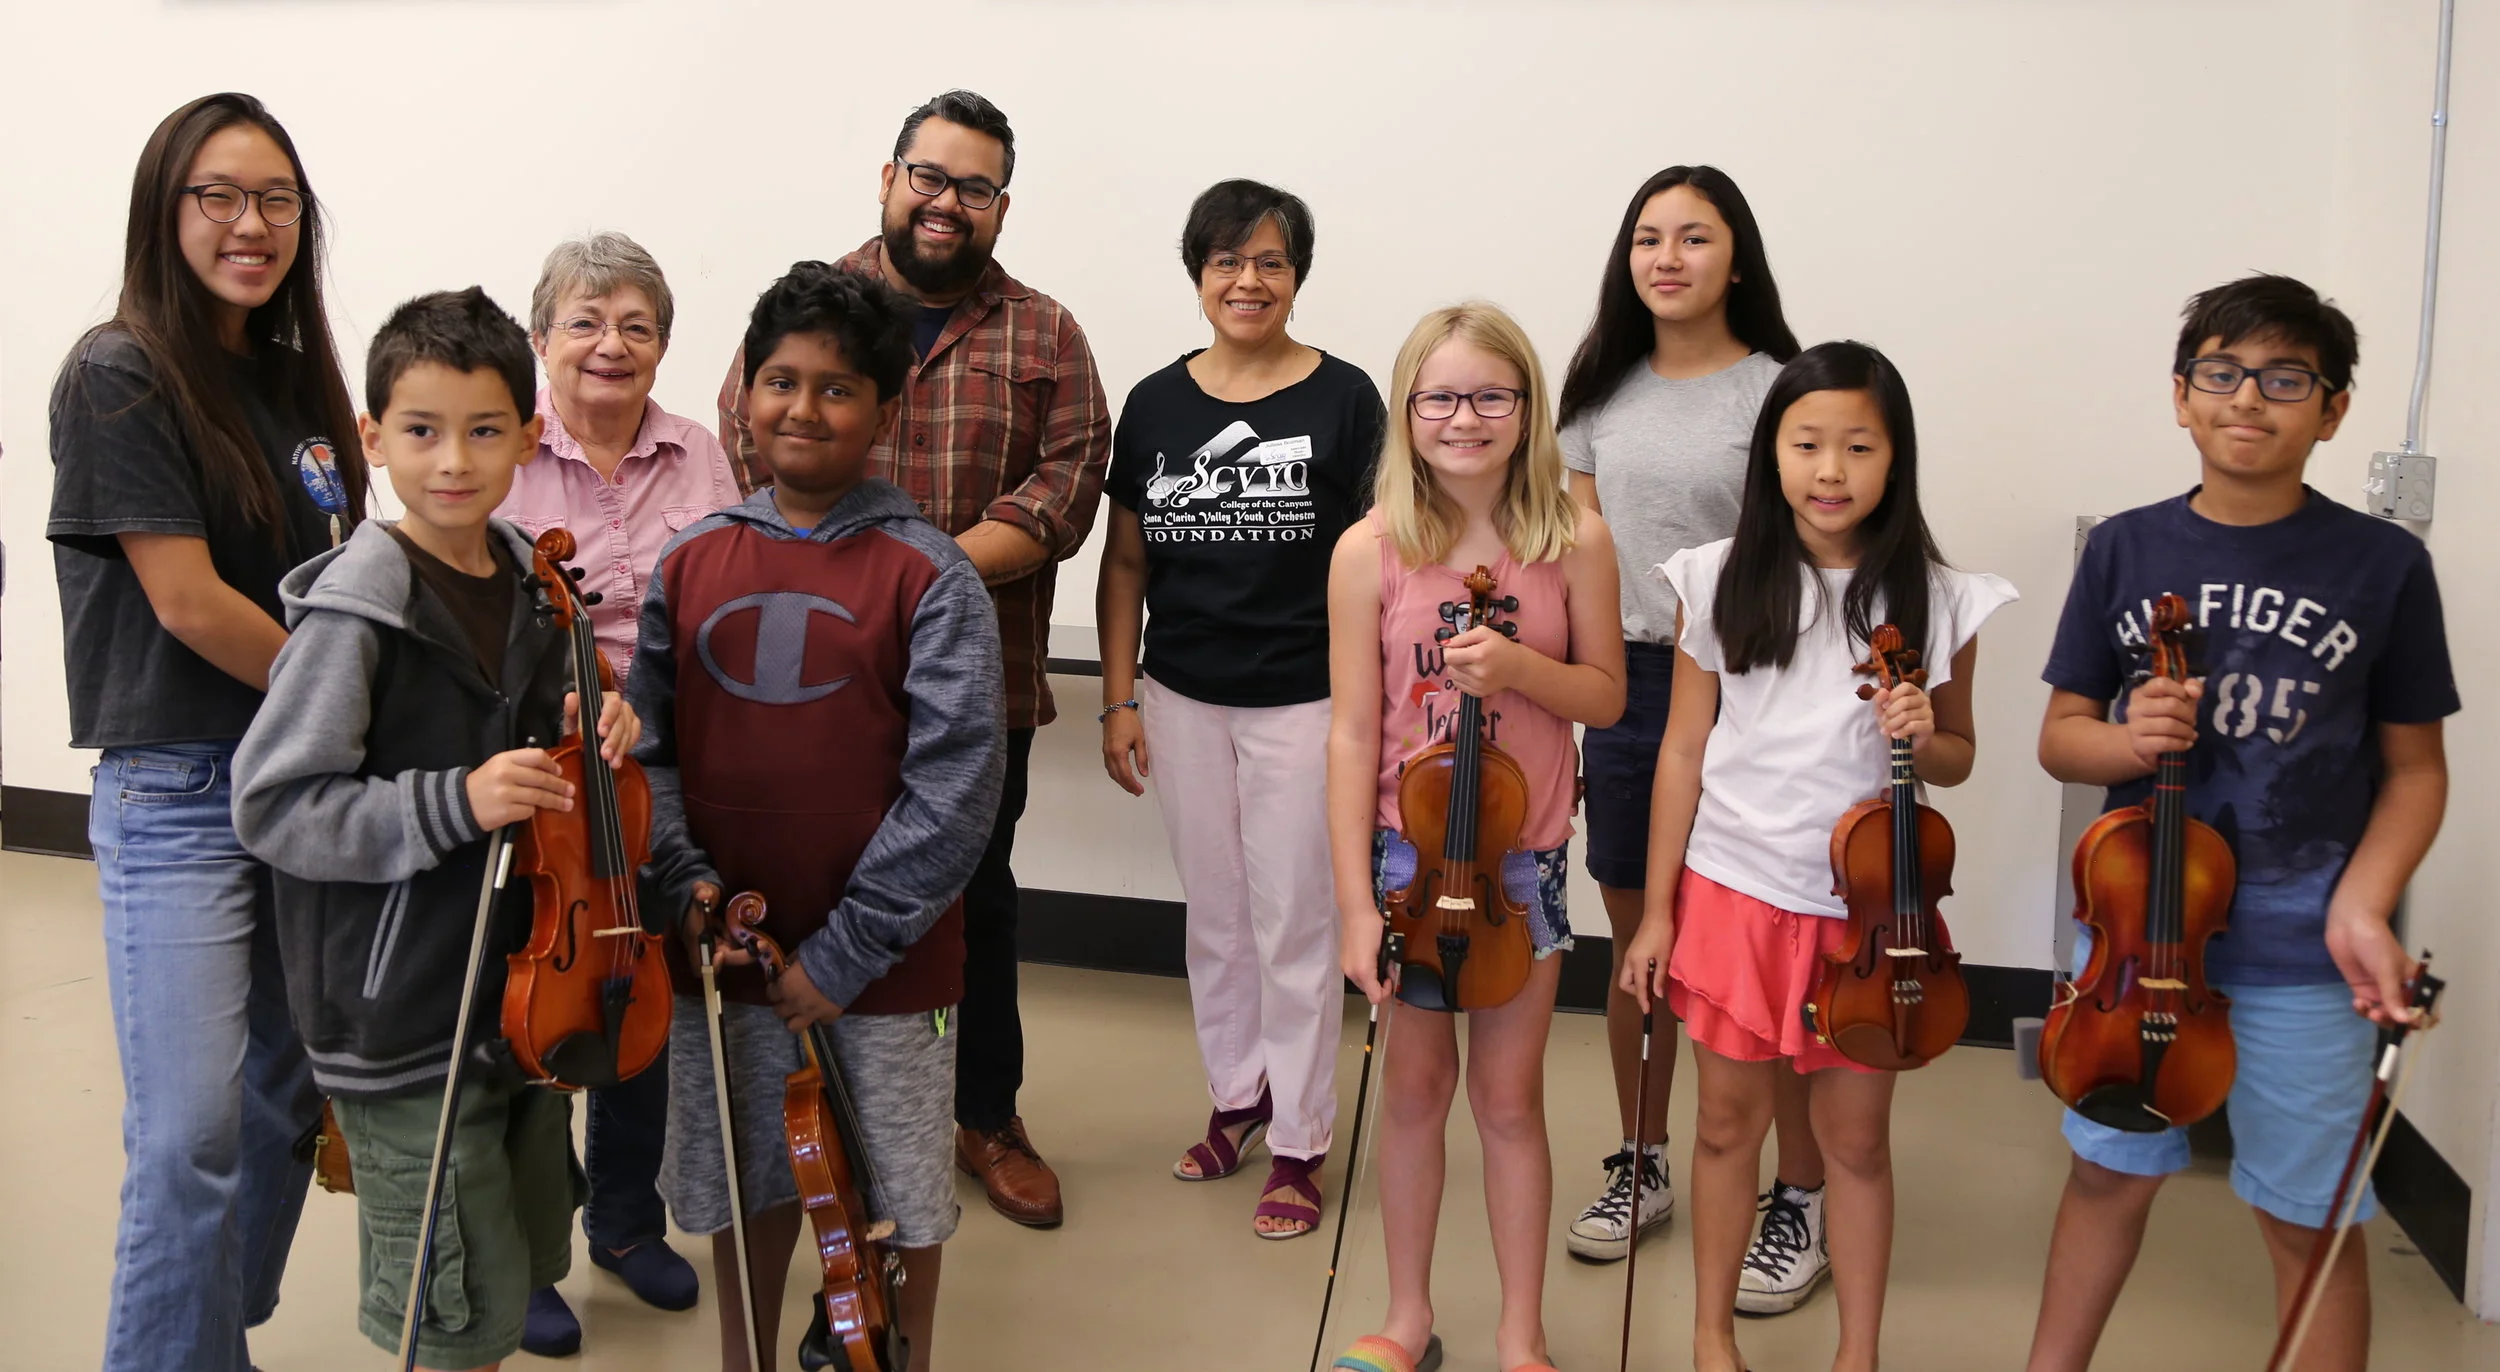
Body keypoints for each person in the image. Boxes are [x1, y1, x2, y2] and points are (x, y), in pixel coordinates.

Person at [2022, 276, 2455, 1372]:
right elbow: (2060, 733)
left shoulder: (2384, 567)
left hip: (2299, 954)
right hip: (2133, 944)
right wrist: (2127, 742)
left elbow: (2412, 768)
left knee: (2308, 1216)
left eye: (2284, 377)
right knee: (2107, 1173)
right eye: (2220, 373)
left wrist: (2360, 903)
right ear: (2181, 396)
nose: (2247, 398)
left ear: (2333, 407)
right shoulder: (2123, 548)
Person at [717, 89, 1109, 1228]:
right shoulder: (810, 309)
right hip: (811, 684)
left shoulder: (1045, 334)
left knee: (975, 900)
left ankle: (985, 1114)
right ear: (887, 180)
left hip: (981, 685)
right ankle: (819, 1111)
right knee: (812, 890)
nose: (948, 204)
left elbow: (1067, 485)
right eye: (929, 177)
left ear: (1000, 207)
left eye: (974, 188)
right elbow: (755, 442)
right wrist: (862, 584)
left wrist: (913, 578)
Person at [232, 287, 638, 1371]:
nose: (453, 460)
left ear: (530, 434)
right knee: (446, 1311)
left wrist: (600, 710)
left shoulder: (532, 583)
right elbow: (273, 804)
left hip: (522, 993)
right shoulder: (353, 612)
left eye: (484, 430)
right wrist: (452, 801)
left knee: (505, 1263)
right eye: (420, 431)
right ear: (373, 439)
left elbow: (560, 723)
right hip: (406, 1012)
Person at [45, 91, 365, 1372]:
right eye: (219, 196)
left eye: (277, 199)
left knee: (287, 1095)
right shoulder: (119, 369)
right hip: (182, 789)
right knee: (186, 1134)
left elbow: (350, 571)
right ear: (163, 210)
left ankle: (206, 1347)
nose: (252, 223)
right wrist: (343, 701)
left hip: (302, 786)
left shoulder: (296, 378)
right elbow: (185, 601)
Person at [1618, 342, 2014, 1372]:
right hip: (1734, 891)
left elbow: (1959, 759)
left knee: (1857, 1145)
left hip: (1871, 919)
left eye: (1856, 446)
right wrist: (1656, 913)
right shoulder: (1713, 578)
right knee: (1721, 1130)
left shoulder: (1935, 597)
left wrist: (1922, 730)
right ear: (1772, 455)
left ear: (1895, 459)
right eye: (1806, 444)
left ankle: (1858, 1356)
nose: (1829, 469)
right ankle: (1711, 1342)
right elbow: (1682, 752)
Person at [642, 262, 1004, 1372]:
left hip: (883, 967)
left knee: (894, 1196)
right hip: (728, 955)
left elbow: (955, 789)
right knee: (748, 1177)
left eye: (838, 389)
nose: (803, 409)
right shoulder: (689, 561)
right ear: (745, 393)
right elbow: (646, 751)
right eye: (781, 382)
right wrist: (683, 882)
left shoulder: (932, 577)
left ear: (885, 413)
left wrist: (846, 952)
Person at [1327, 303, 1626, 1372]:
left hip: (1522, 862)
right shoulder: (1370, 549)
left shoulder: (1574, 538)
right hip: (1404, 860)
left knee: (1509, 1099)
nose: (1466, 417)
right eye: (1441, 397)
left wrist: (1517, 672)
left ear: (1527, 408)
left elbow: (1602, 694)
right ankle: (1408, 1315)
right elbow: (1355, 732)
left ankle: (1520, 1331)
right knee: (1411, 1096)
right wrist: (1357, 906)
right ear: (1408, 411)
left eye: (1491, 396)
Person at [1554, 165, 1829, 1305]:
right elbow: (1580, 549)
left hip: (1760, 687)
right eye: (1647, 238)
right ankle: (1644, 1158)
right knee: (1643, 945)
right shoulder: (1597, 391)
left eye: (1693, 237)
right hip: (1631, 687)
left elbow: (1817, 539)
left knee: (1777, 953)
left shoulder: (1780, 390)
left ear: (1736, 256)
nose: (1666, 257)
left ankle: (1797, 1192)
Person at [1096, 178, 1386, 1240]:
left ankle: (1302, 1141)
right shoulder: (1156, 403)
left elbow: (1381, 556)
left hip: (1306, 700)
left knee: (1296, 924)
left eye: (1268, 261)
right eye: (1226, 261)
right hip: (1179, 696)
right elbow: (1125, 558)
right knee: (1216, 920)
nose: (1247, 280)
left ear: (1297, 277)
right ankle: (1238, 1097)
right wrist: (1121, 696)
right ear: (1197, 274)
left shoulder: (1346, 399)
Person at [494, 229, 736, 1353]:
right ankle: (538, 1241)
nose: (610, 344)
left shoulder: (699, 452)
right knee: (542, 1005)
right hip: (547, 762)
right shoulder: (506, 453)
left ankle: (628, 1221)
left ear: (664, 346)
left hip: (670, 761)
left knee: (642, 990)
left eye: (637, 325)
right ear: (541, 338)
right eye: (585, 321)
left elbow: (722, 603)